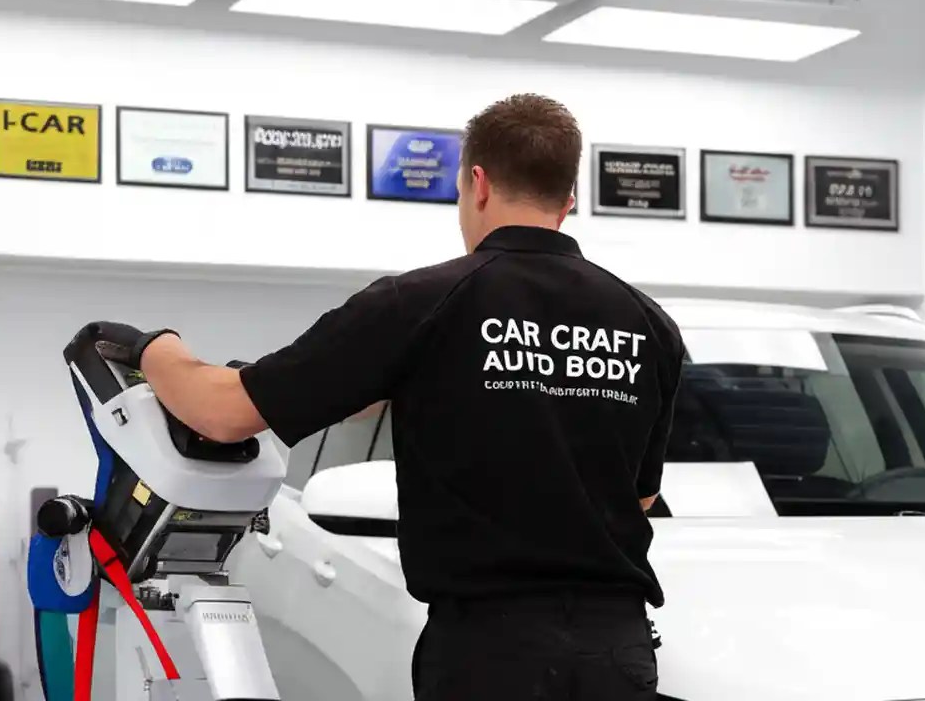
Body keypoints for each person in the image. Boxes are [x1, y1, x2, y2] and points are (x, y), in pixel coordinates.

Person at [94, 93, 684, 701]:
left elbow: (221, 413)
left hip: (493, 655)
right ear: (569, 200)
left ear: (476, 183)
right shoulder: (649, 323)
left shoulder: (422, 304)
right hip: (619, 649)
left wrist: (152, 348)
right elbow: (637, 495)